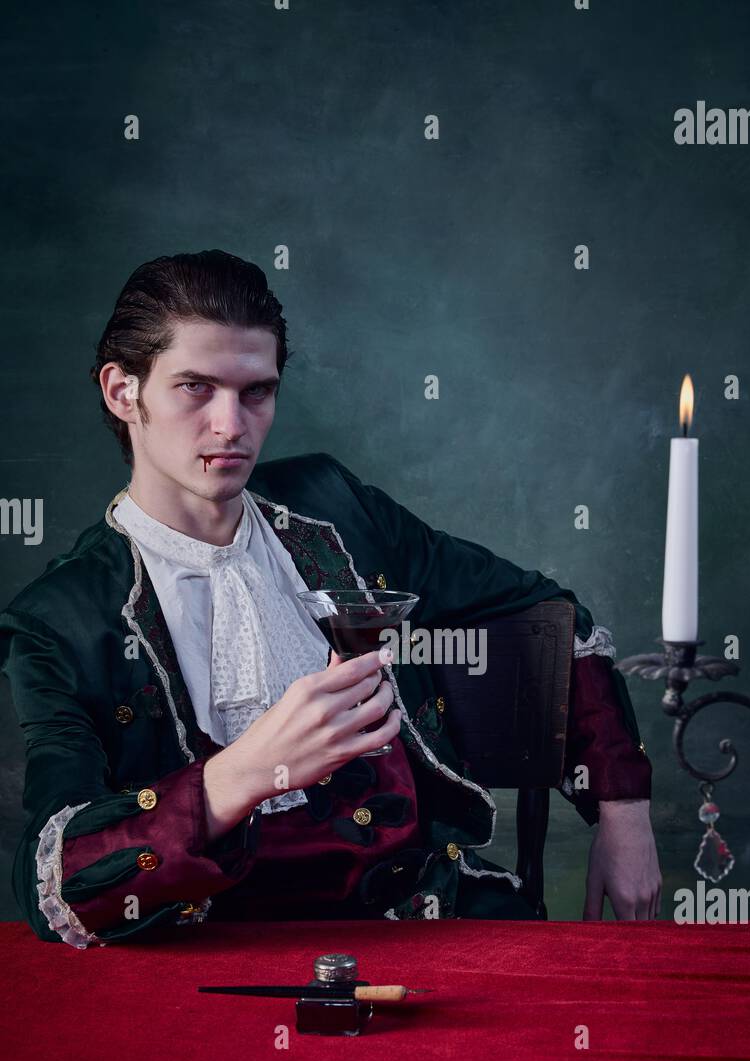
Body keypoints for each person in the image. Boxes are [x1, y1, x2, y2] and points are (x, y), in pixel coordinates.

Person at [0, 250, 661, 948]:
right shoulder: (60, 619)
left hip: (423, 922)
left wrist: (623, 808)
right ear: (121, 392)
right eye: (195, 387)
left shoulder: (333, 507)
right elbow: (59, 887)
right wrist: (241, 776)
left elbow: (542, 609)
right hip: (209, 953)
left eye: (256, 391)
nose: (231, 426)